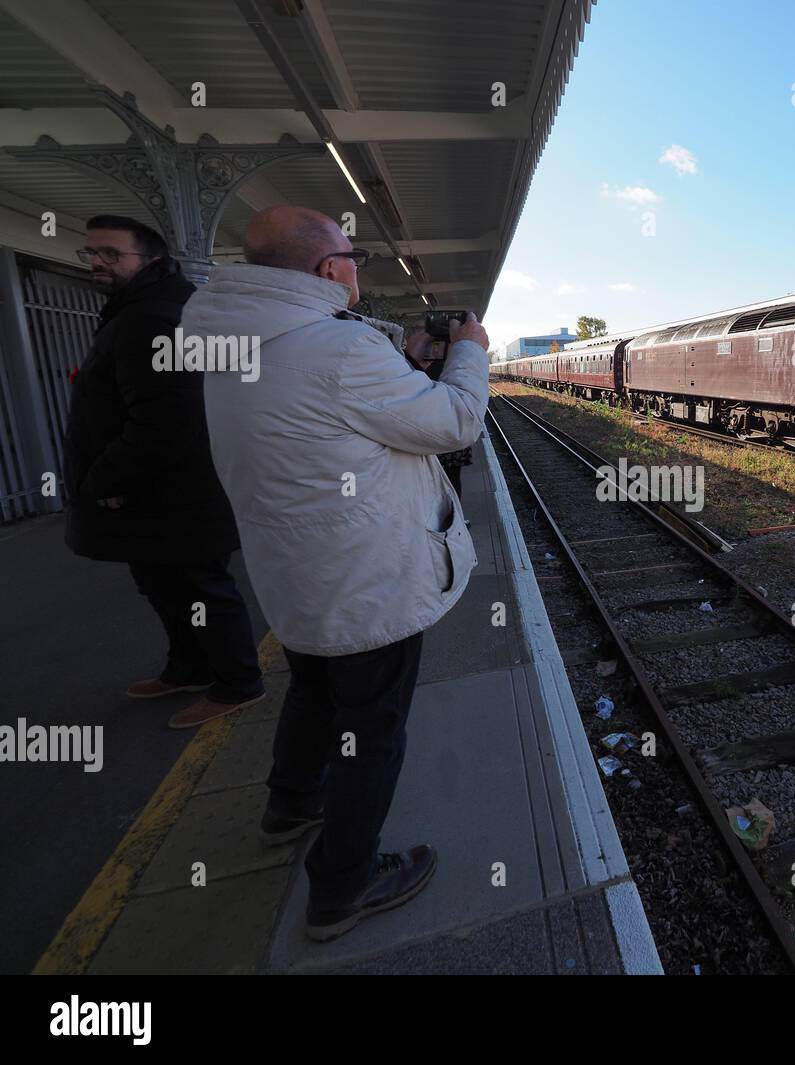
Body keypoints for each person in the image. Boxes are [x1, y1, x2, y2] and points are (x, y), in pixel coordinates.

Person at [183, 205, 489, 942]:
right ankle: (344, 884)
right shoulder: (340, 349)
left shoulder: (234, 344)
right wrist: (470, 350)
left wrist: (407, 360)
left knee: (316, 692)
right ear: (328, 269)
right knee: (373, 731)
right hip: (367, 579)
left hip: (296, 572)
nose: (358, 269)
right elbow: (455, 422)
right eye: (354, 256)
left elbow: (337, 417)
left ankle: (289, 802)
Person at [63, 215, 264, 729]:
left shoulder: (154, 318)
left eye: (111, 254)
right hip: (158, 494)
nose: (98, 263)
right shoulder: (141, 310)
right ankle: (189, 667)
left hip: (177, 494)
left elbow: (166, 417)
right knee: (162, 585)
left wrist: (107, 478)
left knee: (201, 588)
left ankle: (238, 682)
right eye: (92, 253)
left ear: (149, 260)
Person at [404, 329, 475, 498]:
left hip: (431, 431)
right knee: (452, 478)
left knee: (434, 479)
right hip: (450, 435)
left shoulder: (418, 370)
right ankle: (455, 514)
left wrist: (408, 360)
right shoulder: (454, 366)